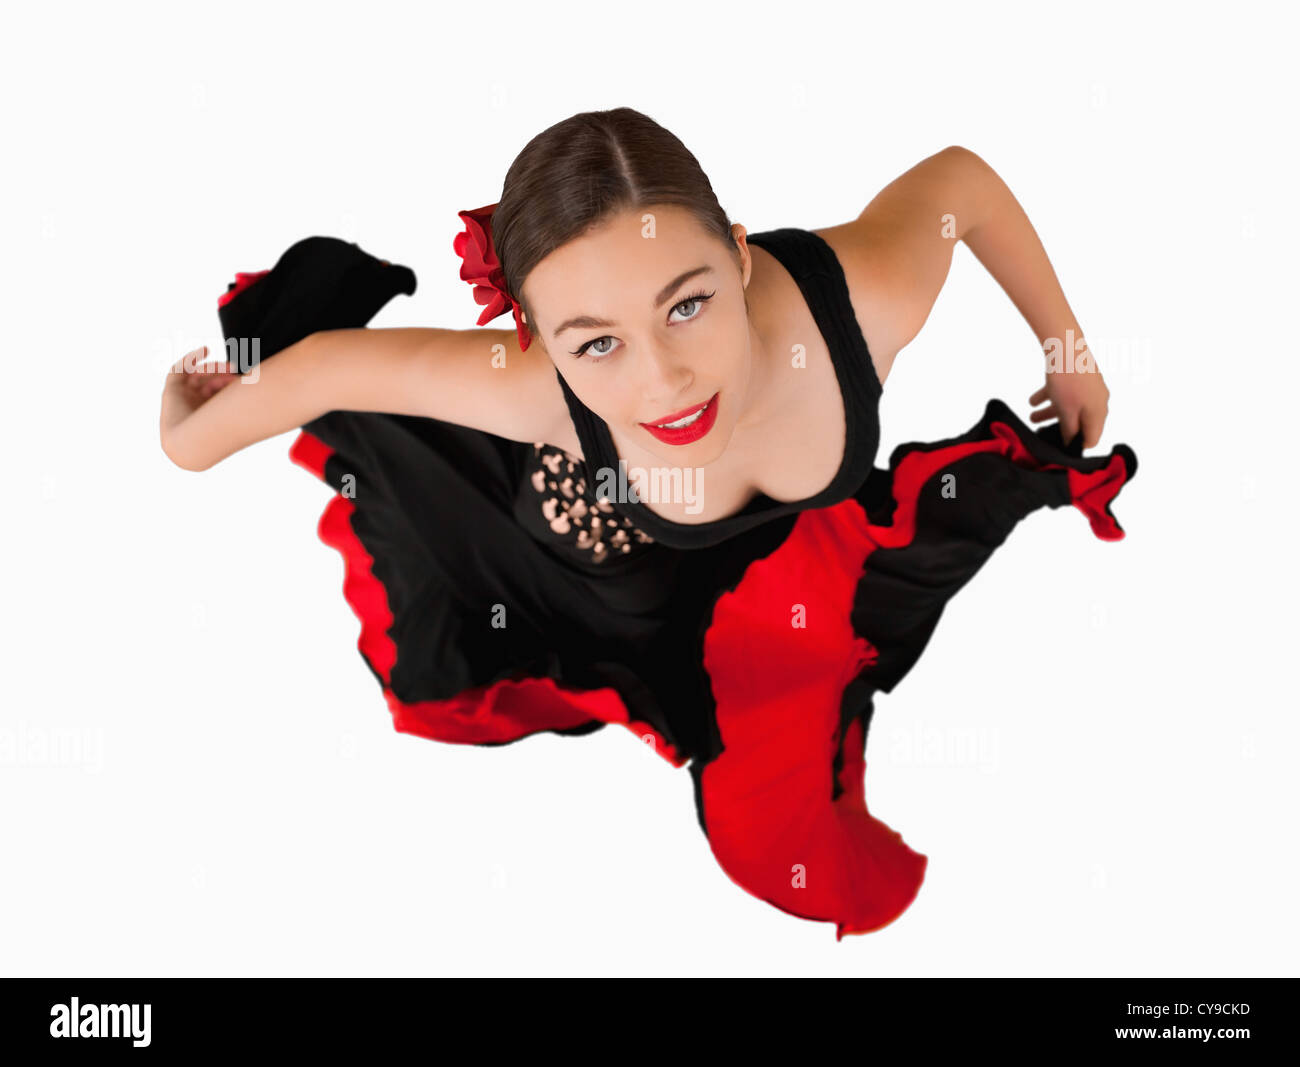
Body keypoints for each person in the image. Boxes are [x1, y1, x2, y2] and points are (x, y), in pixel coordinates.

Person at [159, 107, 1137, 939]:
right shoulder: (532, 394)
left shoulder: (868, 299)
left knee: (784, 806)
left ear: (741, 256)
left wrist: (1068, 351)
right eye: (596, 343)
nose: (664, 383)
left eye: (688, 304)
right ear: (542, 343)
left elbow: (960, 179)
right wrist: (185, 427)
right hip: (601, 554)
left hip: (786, 561)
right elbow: (324, 368)